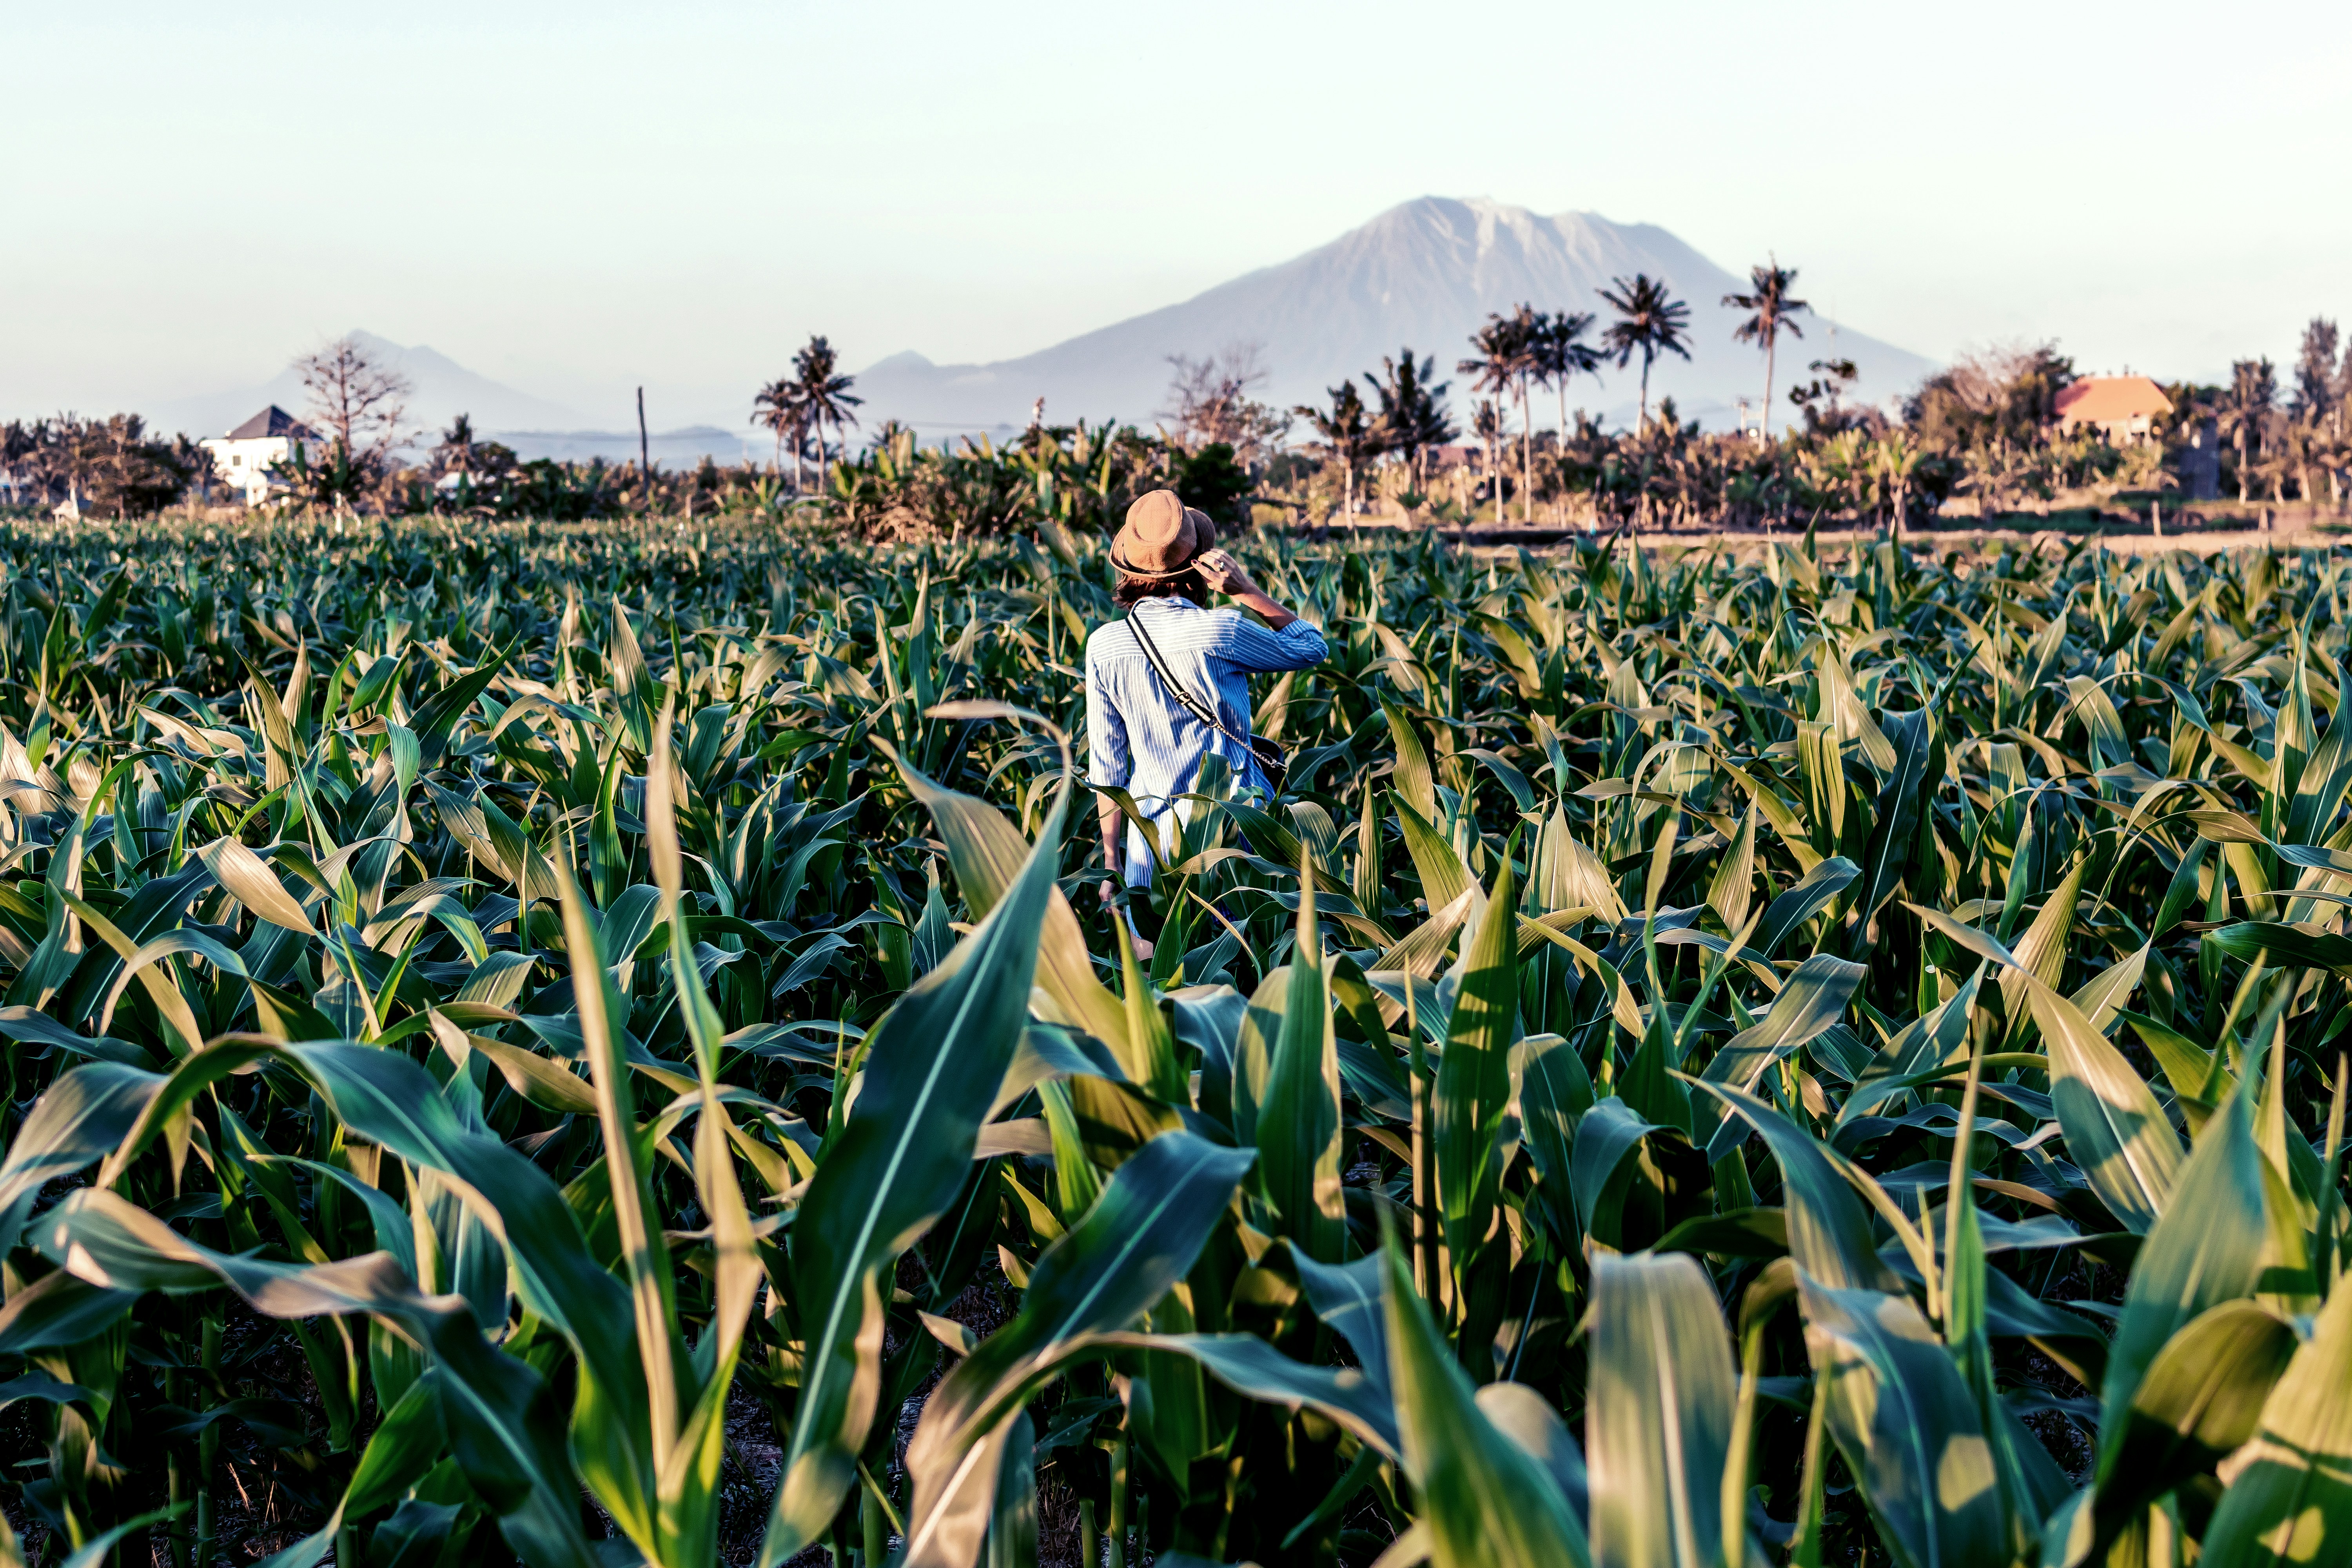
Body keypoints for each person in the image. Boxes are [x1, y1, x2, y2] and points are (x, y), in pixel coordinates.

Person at [1086, 489, 1327, 958]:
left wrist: (1112, 862)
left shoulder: (1104, 646)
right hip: (1235, 837)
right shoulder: (1222, 629)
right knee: (1250, 968)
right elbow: (1311, 645)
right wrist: (1246, 591)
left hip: (1150, 846)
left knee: (1161, 981)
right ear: (1198, 565)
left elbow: (1108, 771)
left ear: (1130, 571)